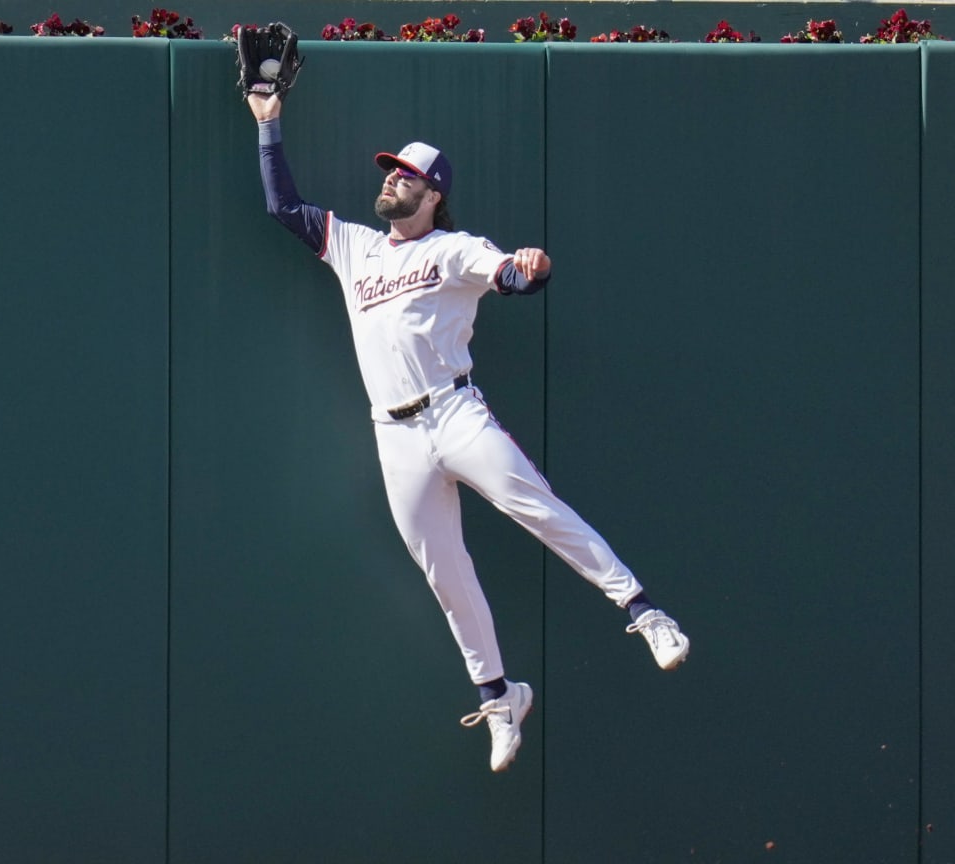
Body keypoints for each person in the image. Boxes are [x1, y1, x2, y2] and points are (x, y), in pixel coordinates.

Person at [245, 91, 690, 773]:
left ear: (433, 194)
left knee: (535, 507)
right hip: (393, 435)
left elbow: (508, 274)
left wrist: (529, 270)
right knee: (444, 572)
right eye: (390, 172)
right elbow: (282, 208)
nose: (390, 179)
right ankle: (500, 696)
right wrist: (268, 123)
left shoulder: (454, 249)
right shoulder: (356, 247)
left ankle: (644, 611)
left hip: (454, 412)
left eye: (405, 175)